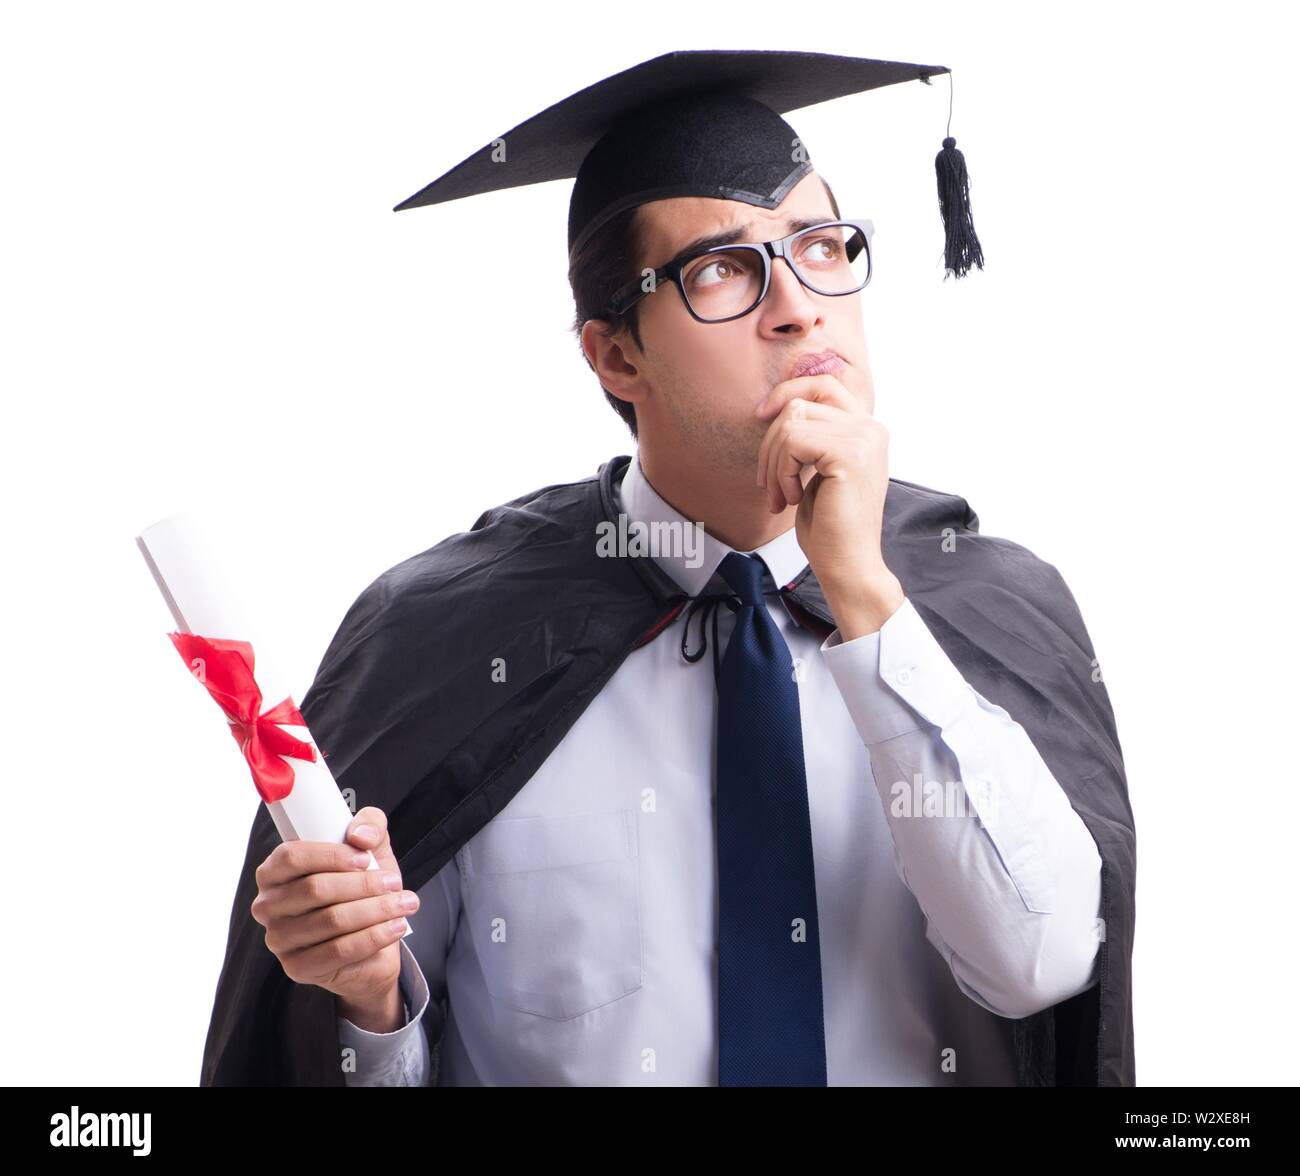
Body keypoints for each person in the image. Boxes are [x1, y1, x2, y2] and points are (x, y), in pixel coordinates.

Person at [205, 50, 1136, 1087]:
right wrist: (368, 1001)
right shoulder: (443, 638)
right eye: (723, 270)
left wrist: (867, 601)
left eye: (821, 247)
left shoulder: (983, 601)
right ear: (615, 357)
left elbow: (1045, 964)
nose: (797, 306)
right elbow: (363, 1059)